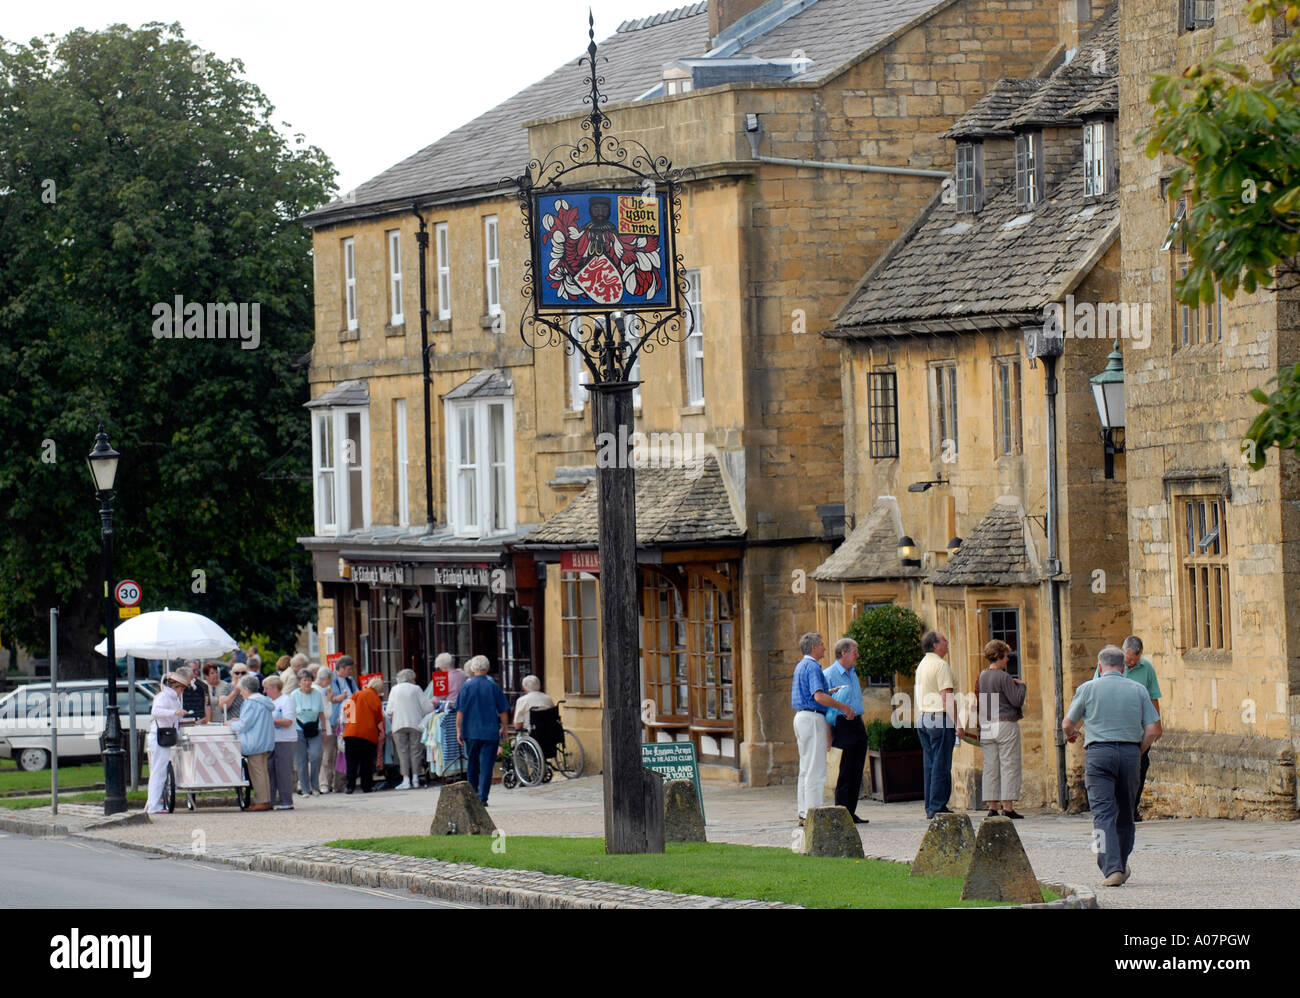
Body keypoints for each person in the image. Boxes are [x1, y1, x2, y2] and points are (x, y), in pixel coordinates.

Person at [1064, 644, 1162, 887]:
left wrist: (1073, 734)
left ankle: (1111, 867)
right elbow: (1153, 730)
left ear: (1100, 666)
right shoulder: (1138, 689)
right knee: (1126, 812)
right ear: (1122, 667)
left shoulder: (1087, 688)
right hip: (1129, 753)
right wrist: (1137, 751)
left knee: (1102, 813)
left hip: (1098, 754)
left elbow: (1067, 723)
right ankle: (1121, 862)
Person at [790, 632, 855, 827]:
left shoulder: (801, 665)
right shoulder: (812, 666)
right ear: (813, 647)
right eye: (822, 645)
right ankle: (814, 812)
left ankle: (804, 811)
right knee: (816, 769)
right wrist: (842, 706)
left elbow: (814, 693)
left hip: (802, 716)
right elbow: (818, 697)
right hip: (812, 717)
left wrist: (830, 692)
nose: (825, 649)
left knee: (805, 768)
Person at [1092, 635, 1161, 821]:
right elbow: (1095, 690)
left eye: (1134, 660)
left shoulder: (1146, 668)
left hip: (1138, 730)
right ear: (1123, 652)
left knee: (1140, 768)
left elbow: (1153, 695)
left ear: (1140, 656)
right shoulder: (1109, 666)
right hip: (1113, 729)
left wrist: (1157, 724)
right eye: (1128, 660)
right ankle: (1117, 808)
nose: (1130, 664)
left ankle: (1131, 807)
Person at [915, 630, 967, 820]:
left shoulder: (922, 664)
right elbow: (947, 696)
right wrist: (958, 723)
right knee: (941, 765)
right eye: (944, 640)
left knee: (930, 764)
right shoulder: (941, 665)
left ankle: (930, 805)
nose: (947, 642)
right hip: (939, 717)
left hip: (924, 717)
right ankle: (938, 806)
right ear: (935, 644)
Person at [977, 639, 1028, 819]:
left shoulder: (982, 676)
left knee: (990, 766)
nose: (1007, 659)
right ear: (999, 656)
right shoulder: (1004, 677)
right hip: (1005, 723)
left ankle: (992, 806)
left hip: (987, 724)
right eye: (1006, 656)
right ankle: (1007, 806)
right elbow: (1016, 700)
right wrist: (1021, 685)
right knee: (1009, 764)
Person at [822, 638, 869, 824]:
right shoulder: (829, 675)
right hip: (841, 724)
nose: (857, 655)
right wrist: (829, 735)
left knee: (857, 769)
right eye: (854, 652)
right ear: (844, 653)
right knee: (845, 770)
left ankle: (851, 811)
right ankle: (841, 813)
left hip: (857, 722)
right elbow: (825, 706)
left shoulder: (853, 673)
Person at [455, 656, 509, 805]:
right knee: (486, 765)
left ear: (473, 669)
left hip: (470, 730)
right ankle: (482, 797)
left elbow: (460, 711)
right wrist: (505, 727)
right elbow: (503, 710)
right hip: (490, 731)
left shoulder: (466, 687)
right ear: (487, 668)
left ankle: (472, 796)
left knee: (472, 763)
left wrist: (458, 729)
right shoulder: (493, 686)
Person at [146, 672, 188, 815]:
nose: (181, 692)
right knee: (159, 772)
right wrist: (175, 712)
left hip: (162, 735)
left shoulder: (169, 697)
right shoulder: (164, 697)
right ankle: (153, 806)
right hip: (159, 736)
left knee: (159, 771)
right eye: (181, 688)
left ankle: (153, 804)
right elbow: (155, 711)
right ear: (176, 687)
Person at [230, 675, 275, 810]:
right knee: (263, 772)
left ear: (246, 689)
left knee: (257, 773)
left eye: (242, 690)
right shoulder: (264, 701)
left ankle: (261, 801)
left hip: (254, 742)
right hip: (264, 741)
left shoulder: (250, 703)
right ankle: (265, 800)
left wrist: (231, 725)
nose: (241, 694)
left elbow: (245, 724)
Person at [386, 669, 433, 789]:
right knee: (416, 752)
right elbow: (427, 708)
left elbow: (389, 710)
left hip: (398, 724)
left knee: (402, 752)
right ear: (411, 679)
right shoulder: (416, 689)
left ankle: (406, 779)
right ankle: (416, 778)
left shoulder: (394, 689)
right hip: (415, 723)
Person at [343, 676, 386, 794]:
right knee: (366, 762)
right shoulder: (376, 699)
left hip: (351, 732)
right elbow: (379, 718)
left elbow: (347, 708)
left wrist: (352, 721)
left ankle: (349, 786)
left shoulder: (357, 694)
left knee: (351, 761)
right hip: (368, 734)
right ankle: (366, 786)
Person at [291, 671, 326, 796]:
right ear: (299, 682)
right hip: (299, 729)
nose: (307, 682)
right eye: (304, 680)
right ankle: (305, 788)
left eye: (309, 680)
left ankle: (315, 785)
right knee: (301, 759)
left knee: (316, 756)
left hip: (315, 727)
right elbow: (291, 713)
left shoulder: (317, 694)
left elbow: (321, 712)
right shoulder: (294, 695)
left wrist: (325, 730)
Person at [265, 676, 297, 809]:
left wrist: (270, 721)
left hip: (285, 740)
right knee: (270, 771)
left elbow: (288, 721)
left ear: (274, 688)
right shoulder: (268, 701)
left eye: (266, 688)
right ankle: (270, 800)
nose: (265, 691)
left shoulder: (286, 700)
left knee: (283, 772)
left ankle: (286, 801)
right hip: (271, 741)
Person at [329, 657, 360, 792]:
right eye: (348, 669)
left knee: (348, 750)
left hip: (351, 717)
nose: (350, 671)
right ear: (340, 668)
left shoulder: (351, 680)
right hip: (338, 718)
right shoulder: (333, 680)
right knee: (339, 751)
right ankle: (337, 783)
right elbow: (332, 697)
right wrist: (342, 697)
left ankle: (348, 780)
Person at [313, 667, 337, 792]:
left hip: (312, 727)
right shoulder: (321, 691)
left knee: (316, 755)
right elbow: (326, 713)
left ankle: (317, 782)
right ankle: (324, 783)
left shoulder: (311, 689)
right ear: (326, 679)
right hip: (323, 727)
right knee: (326, 755)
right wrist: (329, 701)